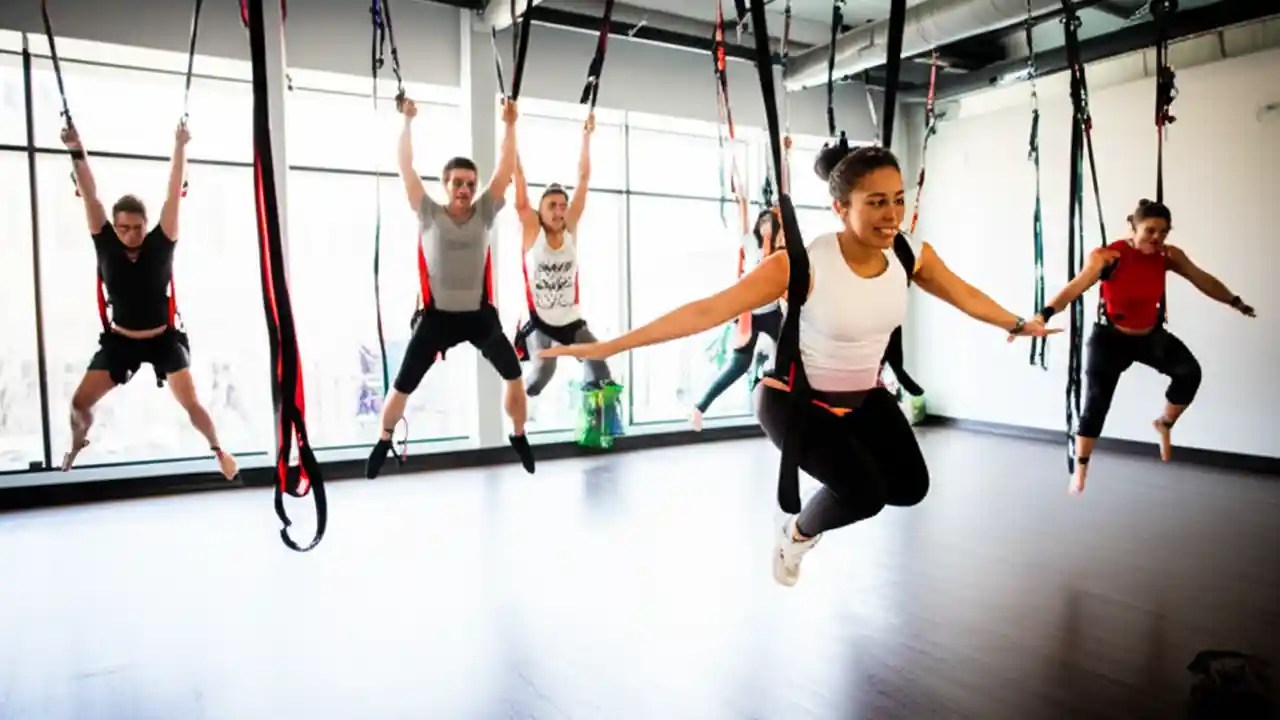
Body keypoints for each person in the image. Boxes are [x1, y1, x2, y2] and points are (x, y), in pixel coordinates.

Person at [542, 144, 1056, 586]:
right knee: (866, 494)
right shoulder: (803, 263)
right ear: (840, 207)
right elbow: (708, 310)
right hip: (794, 399)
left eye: (898, 199)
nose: (891, 214)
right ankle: (794, 537)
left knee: (910, 488)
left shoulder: (907, 254)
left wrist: (1016, 322)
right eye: (876, 202)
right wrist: (608, 347)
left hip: (863, 397)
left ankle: (822, 501)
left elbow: (961, 293)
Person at [1036, 199, 1255, 495]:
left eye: (1163, 232)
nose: (1157, 238)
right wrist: (1044, 314)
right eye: (1150, 230)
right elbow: (1074, 287)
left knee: (1189, 373)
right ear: (1133, 227)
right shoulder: (1107, 256)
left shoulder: (1167, 256)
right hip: (1110, 339)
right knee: (1096, 405)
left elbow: (1202, 279)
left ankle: (1164, 423)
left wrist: (1234, 301)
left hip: (1149, 336)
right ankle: (1081, 468)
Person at [365, 97, 534, 479]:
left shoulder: (486, 211)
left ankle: (519, 435)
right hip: (437, 319)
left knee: (513, 374)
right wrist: (406, 123)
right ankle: (383, 438)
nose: (464, 189)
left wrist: (509, 125)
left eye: (469, 184)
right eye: (457, 183)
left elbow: (505, 170)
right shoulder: (428, 212)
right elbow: (405, 168)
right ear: (446, 185)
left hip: (477, 317)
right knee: (402, 385)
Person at [60, 121, 238, 480]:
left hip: (163, 339)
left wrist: (180, 145)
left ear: (146, 224)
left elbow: (173, 192)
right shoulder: (104, 241)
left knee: (191, 403)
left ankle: (219, 450)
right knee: (78, 404)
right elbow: (91, 195)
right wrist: (76, 148)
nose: (129, 234)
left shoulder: (162, 242)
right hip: (121, 341)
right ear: (114, 225)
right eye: (123, 227)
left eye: (136, 227)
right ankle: (78, 441)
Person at [511, 111, 619, 398]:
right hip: (540, 322)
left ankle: (595, 423)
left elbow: (583, 178)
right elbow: (518, 180)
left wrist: (586, 137)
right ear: (541, 209)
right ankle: (517, 399)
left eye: (563, 205)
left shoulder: (570, 228)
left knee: (599, 362)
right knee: (542, 376)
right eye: (552, 205)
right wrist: (510, 128)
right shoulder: (533, 230)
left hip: (570, 321)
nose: (559, 211)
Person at [689, 191, 786, 431]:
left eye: (769, 224)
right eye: (762, 223)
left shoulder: (781, 252)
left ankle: (781, 406)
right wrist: (741, 196)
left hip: (772, 312)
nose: (765, 227)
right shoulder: (752, 246)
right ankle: (699, 408)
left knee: (789, 357)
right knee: (738, 366)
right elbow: (743, 217)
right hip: (749, 313)